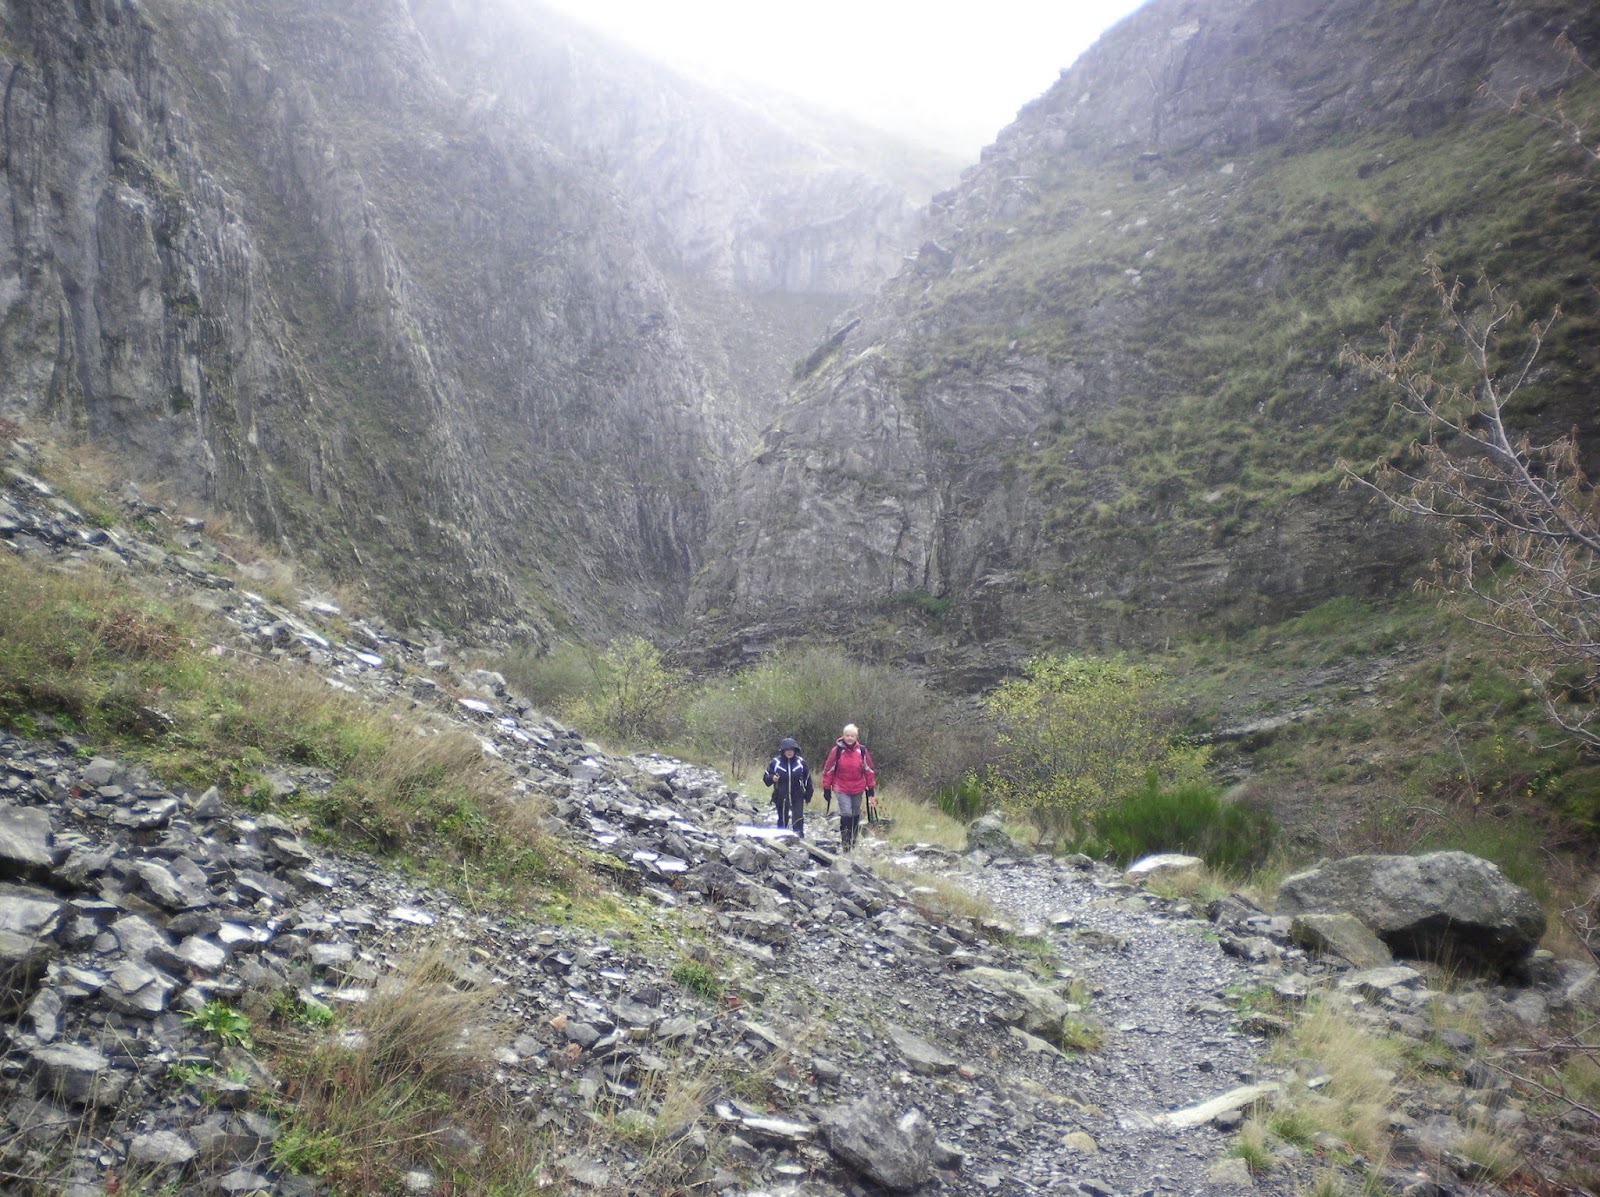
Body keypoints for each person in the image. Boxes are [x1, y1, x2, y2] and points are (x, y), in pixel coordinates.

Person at [820, 723, 876, 852]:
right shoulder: (837, 751)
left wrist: (871, 788)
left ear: (856, 737)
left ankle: (853, 840)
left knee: (855, 814)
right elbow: (828, 770)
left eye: (852, 735)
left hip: (858, 787)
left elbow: (869, 770)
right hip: (841, 787)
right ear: (843, 736)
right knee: (846, 813)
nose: (849, 738)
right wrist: (826, 788)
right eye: (847, 735)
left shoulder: (862, 751)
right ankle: (845, 844)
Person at [762, 737, 814, 838]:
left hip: (797, 795)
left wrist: (808, 795)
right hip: (781, 795)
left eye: (792, 750)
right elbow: (766, 778)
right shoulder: (775, 762)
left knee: (798, 818)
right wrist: (772, 778)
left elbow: (807, 779)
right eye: (787, 750)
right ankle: (781, 839)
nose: (790, 752)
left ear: (795, 751)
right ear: (783, 751)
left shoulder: (801, 763)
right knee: (782, 818)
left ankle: (798, 839)